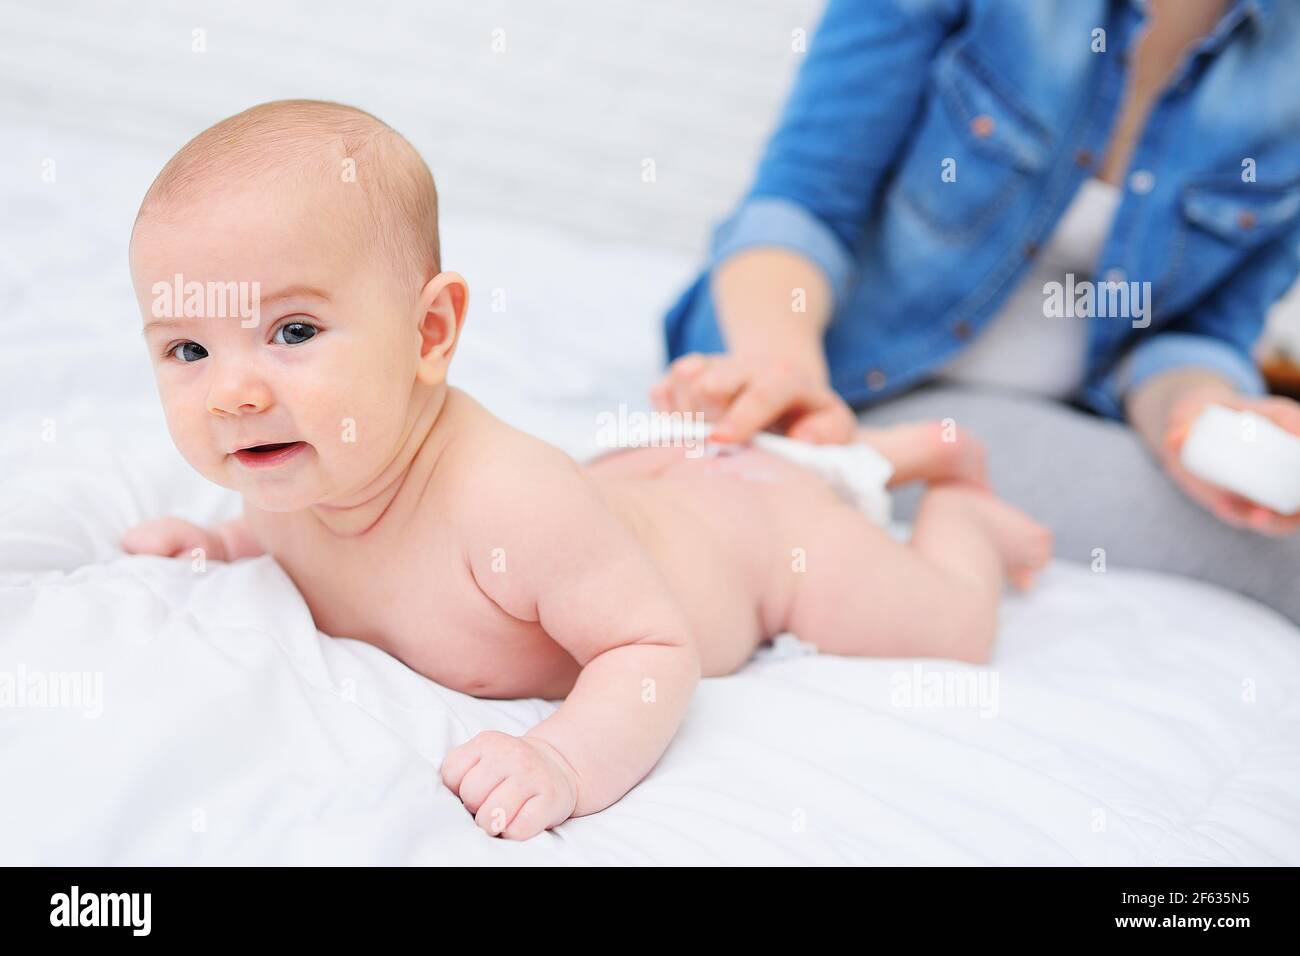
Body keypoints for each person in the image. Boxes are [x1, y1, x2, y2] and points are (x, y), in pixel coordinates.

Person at [655, 0, 1300, 621]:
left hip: (1056, 413)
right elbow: (803, 203)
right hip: (840, 383)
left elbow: (1197, 335)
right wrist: (783, 376)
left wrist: (1201, 417)